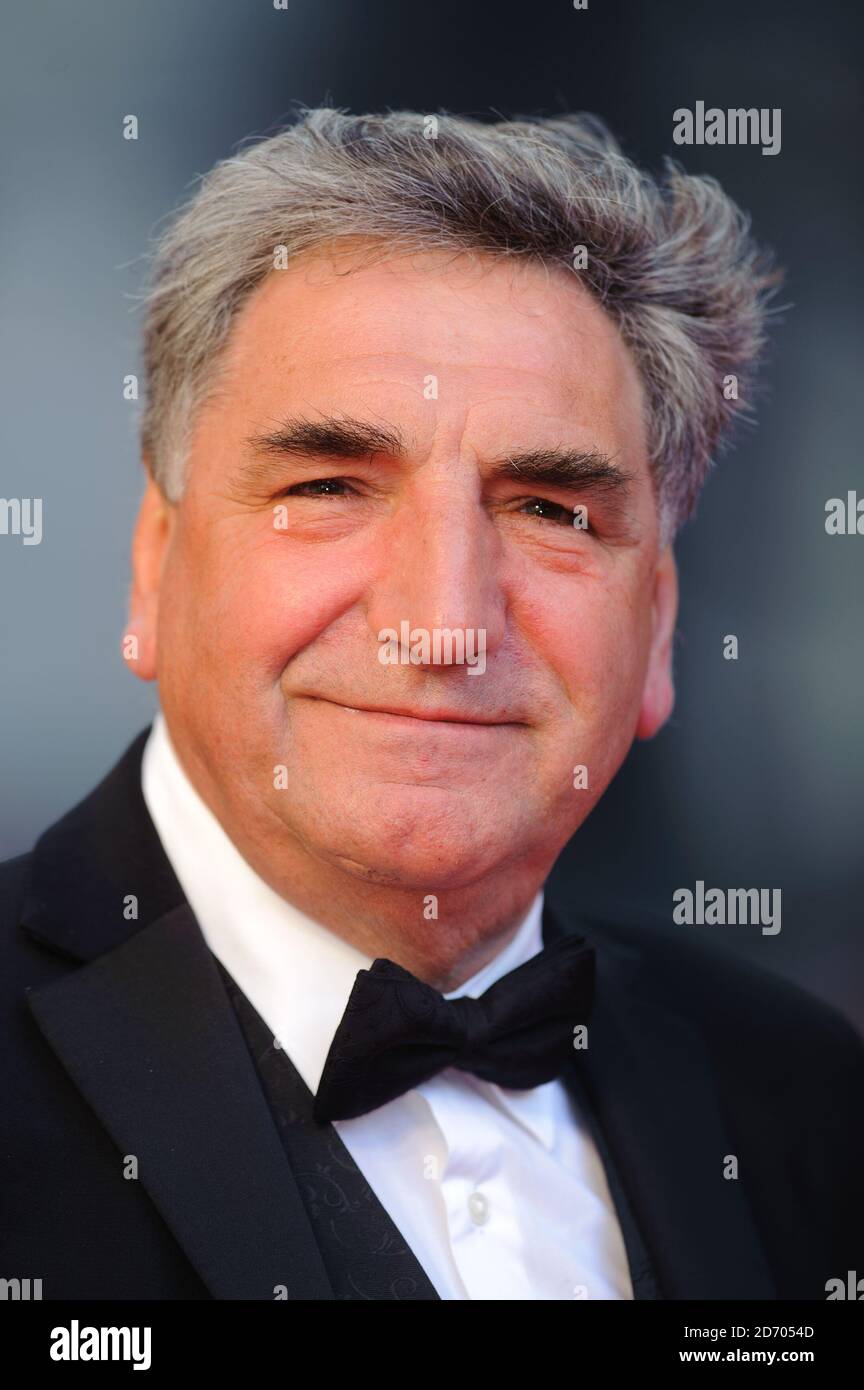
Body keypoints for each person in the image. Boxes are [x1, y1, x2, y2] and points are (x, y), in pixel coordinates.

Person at [2, 108, 861, 1301]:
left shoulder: (809, 1095)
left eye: (551, 511)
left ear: (658, 625)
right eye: (329, 485)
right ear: (157, 563)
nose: (445, 621)